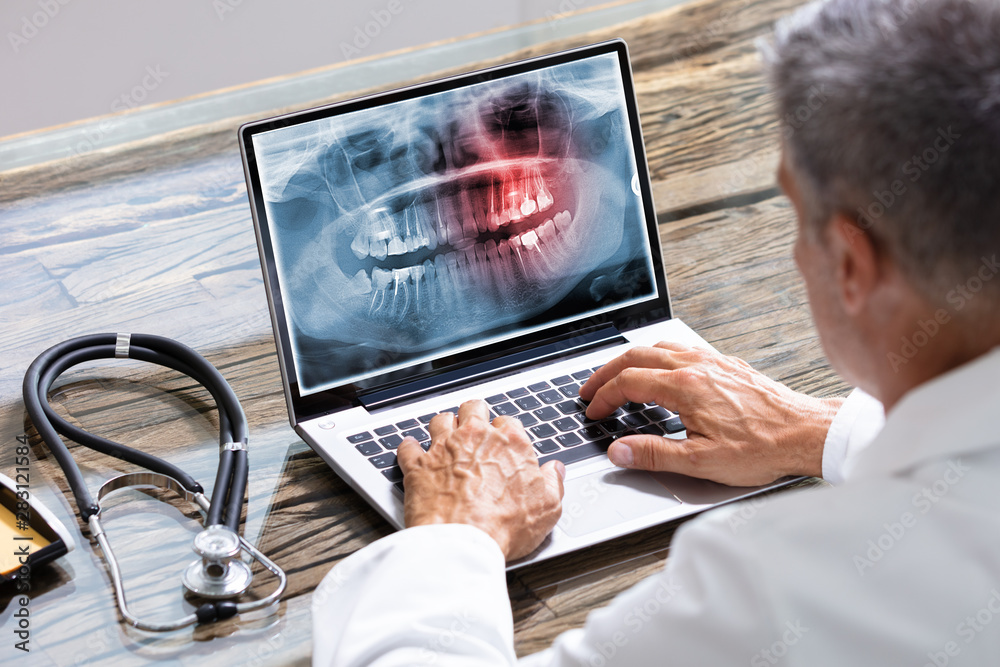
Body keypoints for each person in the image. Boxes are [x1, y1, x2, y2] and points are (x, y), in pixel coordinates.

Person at [312, 0, 1000, 663]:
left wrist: (453, 533)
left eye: (795, 210)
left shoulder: (773, 594)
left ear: (851, 264)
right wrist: (824, 431)